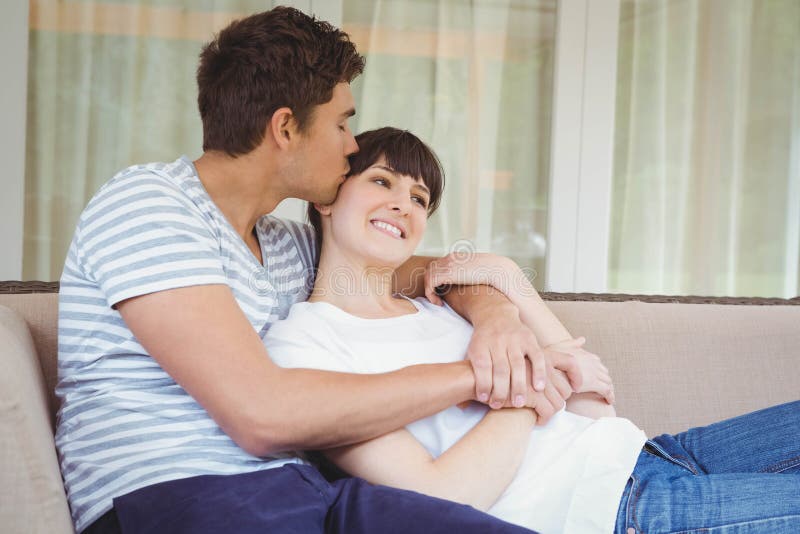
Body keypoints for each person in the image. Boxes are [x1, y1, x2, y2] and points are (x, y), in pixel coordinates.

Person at [55, 7, 579, 534]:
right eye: (341, 123)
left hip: (304, 490)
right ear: (285, 127)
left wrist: (495, 323)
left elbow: (437, 272)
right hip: (179, 496)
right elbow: (263, 417)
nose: (352, 146)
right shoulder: (150, 205)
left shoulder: (288, 247)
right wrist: (480, 377)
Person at [264, 126, 800, 534]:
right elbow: (439, 496)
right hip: (615, 511)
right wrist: (529, 392)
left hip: (650, 456)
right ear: (327, 197)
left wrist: (506, 280)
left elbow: (595, 410)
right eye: (381, 181)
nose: (404, 204)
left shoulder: (439, 304)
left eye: (421, 198)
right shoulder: (306, 345)